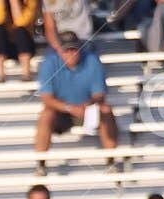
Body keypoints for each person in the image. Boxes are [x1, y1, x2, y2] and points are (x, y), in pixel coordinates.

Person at [34, 31, 121, 174]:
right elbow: (47, 98)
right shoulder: (49, 63)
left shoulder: (92, 60)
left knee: (106, 110)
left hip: (88, 109)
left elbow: (99, 94)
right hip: (62, 112)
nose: (71, 54)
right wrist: (70, 108)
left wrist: (88, 105)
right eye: (67, 50)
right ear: (60, 51)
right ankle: (40, 163)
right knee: (46, 115)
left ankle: (111, 160)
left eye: (74, 49)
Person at [0, 0, 39, 83]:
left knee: (21, 31)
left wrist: (14, 2)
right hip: (4, 45)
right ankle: (0, 74)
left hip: (24, 44)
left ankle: (26, 73)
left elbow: (21, 22)